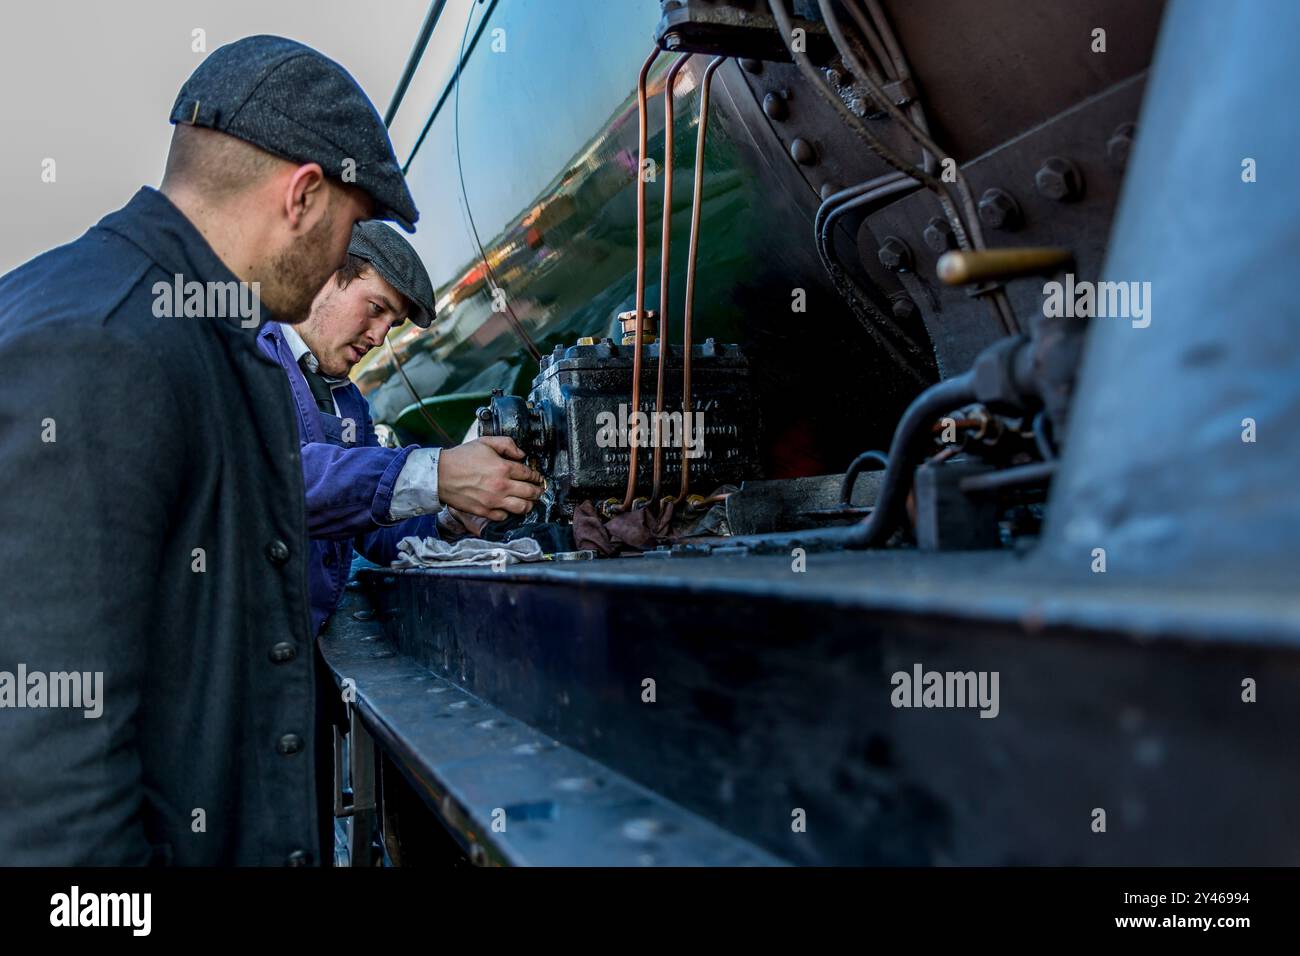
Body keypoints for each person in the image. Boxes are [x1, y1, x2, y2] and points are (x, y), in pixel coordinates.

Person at [0, 35, 414, 865]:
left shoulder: (207, 339)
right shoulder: (104, 343)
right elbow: (52, 792)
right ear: (303, 194)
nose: (344, 259)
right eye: (352, 227)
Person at [259, 219, 543, 635]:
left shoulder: (350, 402)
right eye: (375, 309)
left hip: (302, 646)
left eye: (390, 325)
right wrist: (438, 472)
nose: (377, 338)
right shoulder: (248, 358)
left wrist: (448, 519)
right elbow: (277, 483)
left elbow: (370, 529)